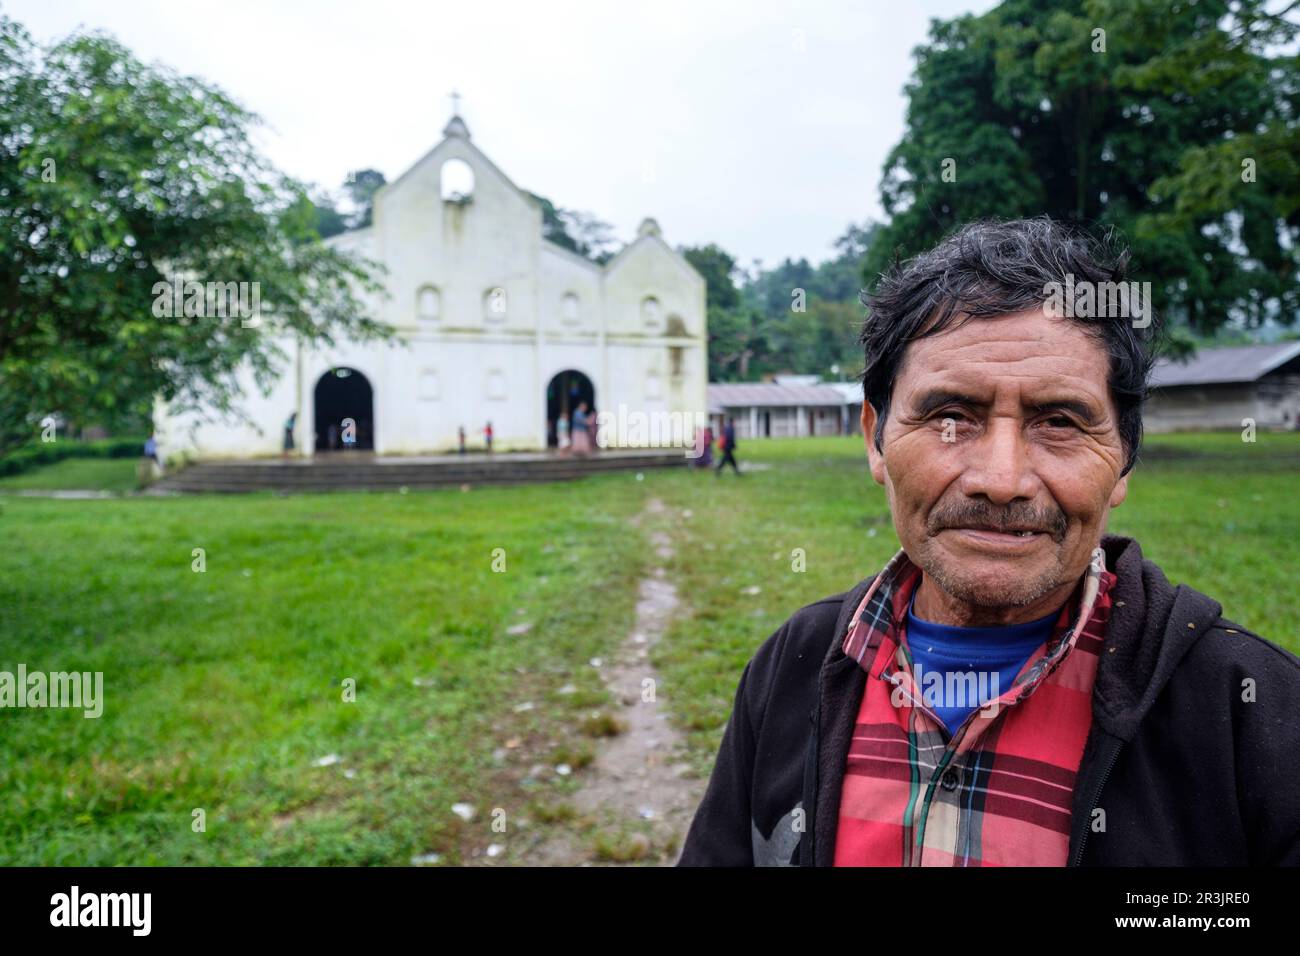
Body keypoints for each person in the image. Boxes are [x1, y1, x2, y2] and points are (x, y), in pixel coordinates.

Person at [678, 217, 1300, 867]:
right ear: (875, 439)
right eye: (951, 417)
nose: (1002, 481)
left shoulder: (1254, 721)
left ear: (1124, 459)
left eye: (1059, 421)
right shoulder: (792, 667)